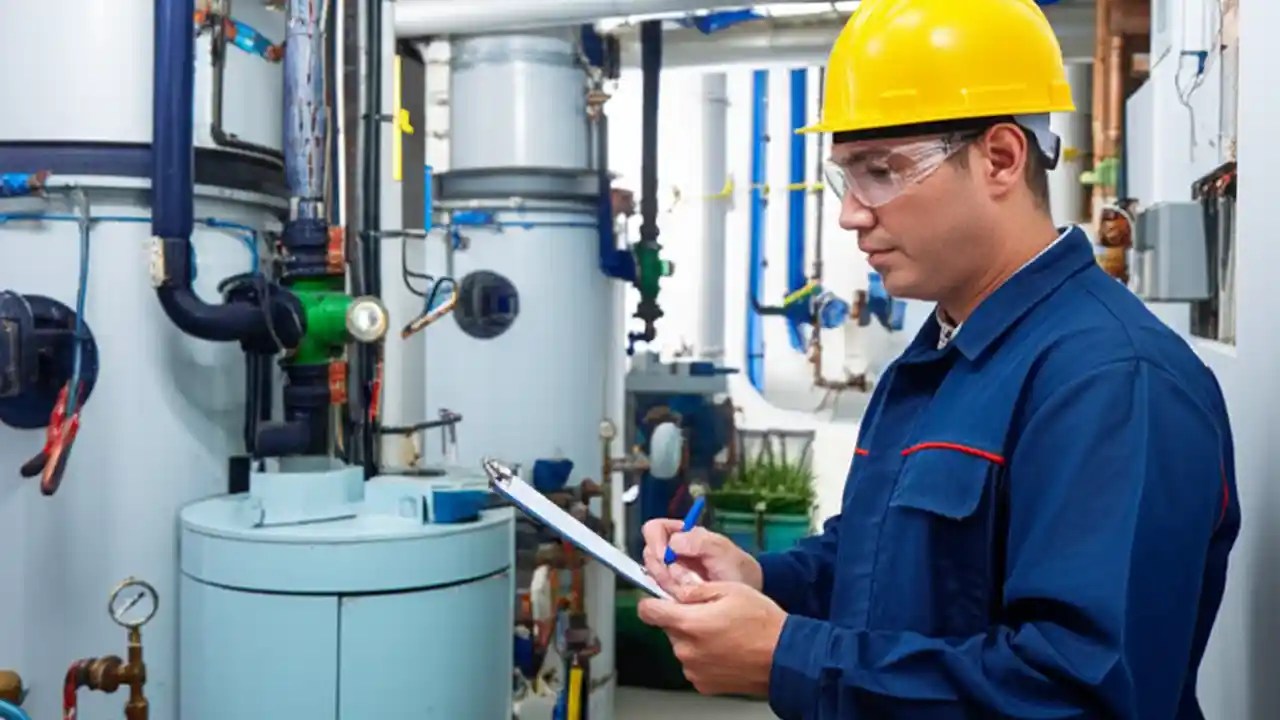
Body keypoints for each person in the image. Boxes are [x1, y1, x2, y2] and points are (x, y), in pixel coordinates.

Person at [636, 1, 1241, 718]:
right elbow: (885, 562)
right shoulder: (942, 354)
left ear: (1001, 158)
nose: (851, 213)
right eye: (844, 176)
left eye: (881, 170)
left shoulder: (1112, 383)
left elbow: (1080, 692)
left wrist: (789, 659)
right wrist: (764, 581)